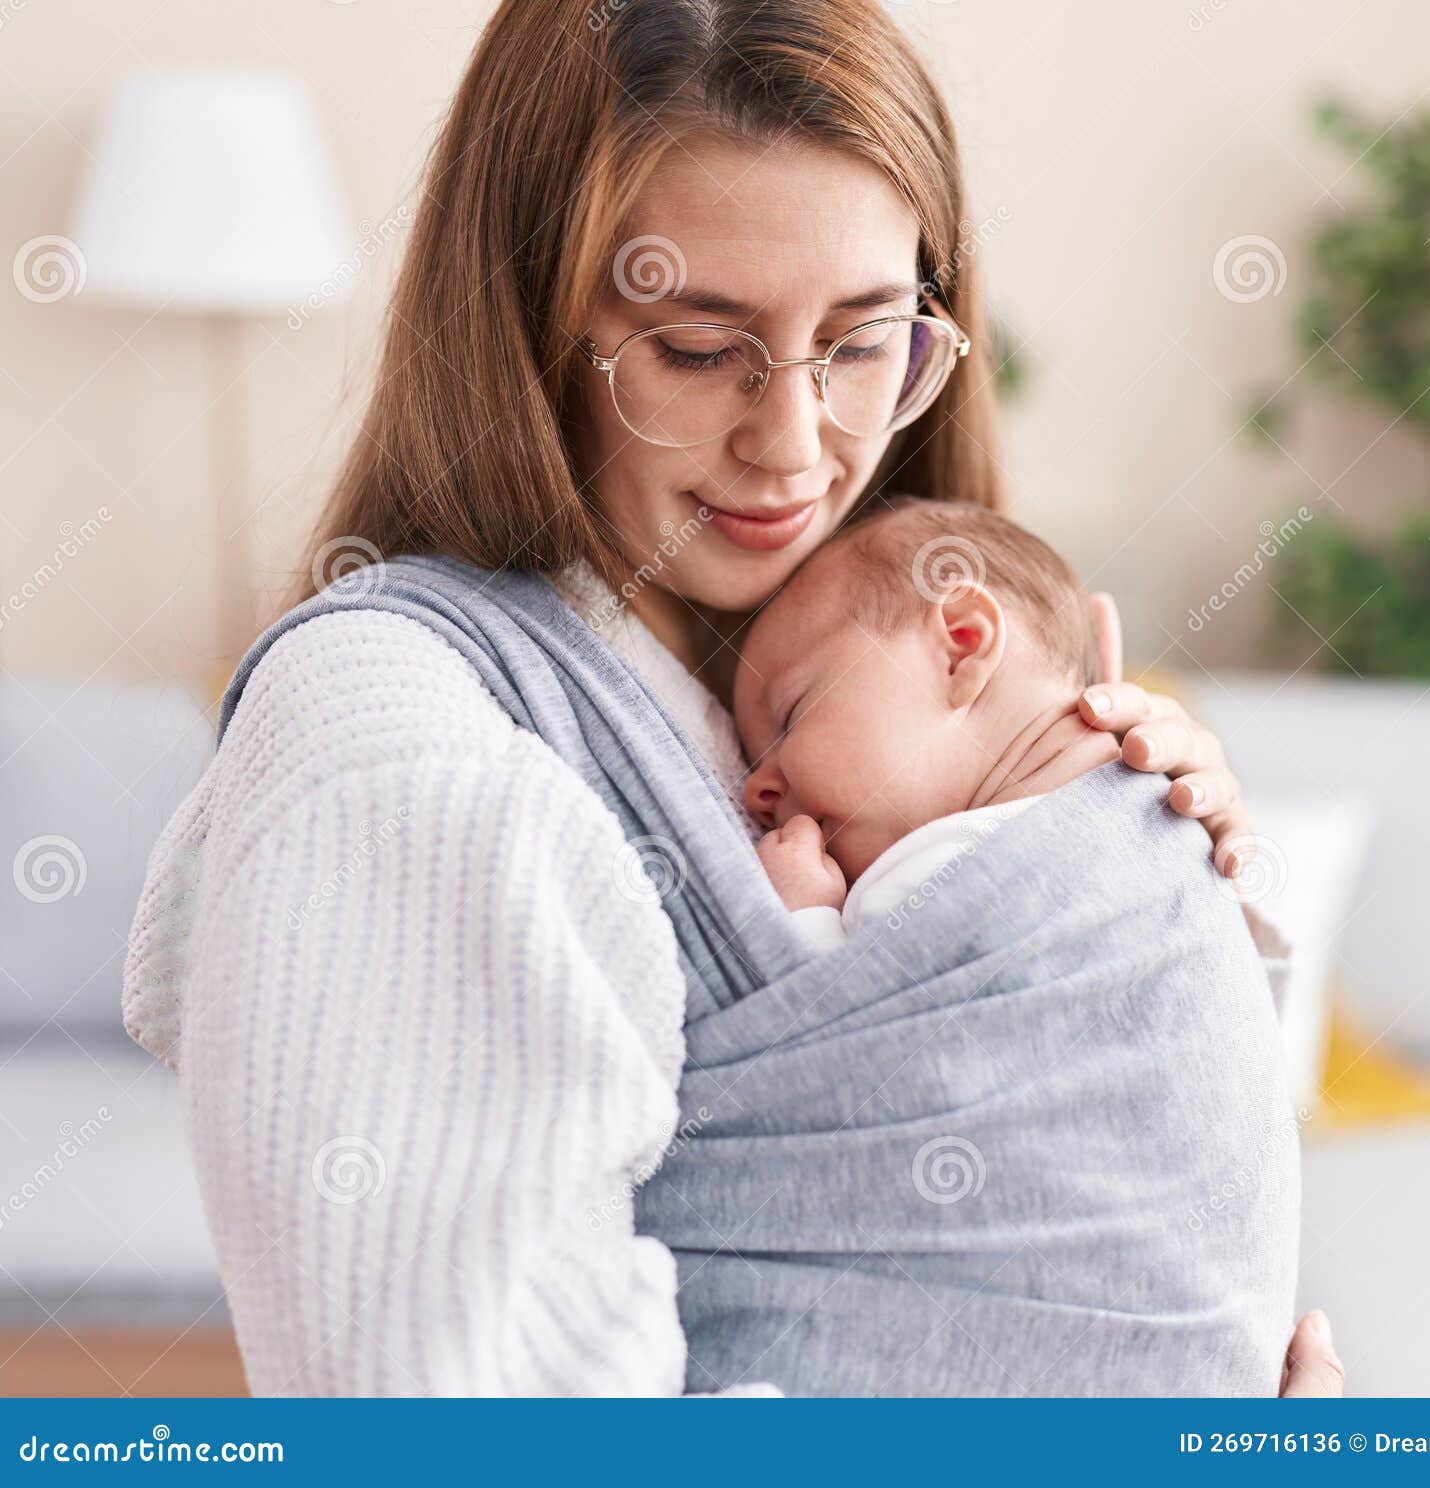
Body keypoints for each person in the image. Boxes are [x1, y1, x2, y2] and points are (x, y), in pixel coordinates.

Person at [121, 0, 1343, 1398]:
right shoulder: (398, 745)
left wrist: (1133, 848)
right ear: (520, 332)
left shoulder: (877, 657)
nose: (795, 446)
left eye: (865, 342)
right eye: (698, 351)